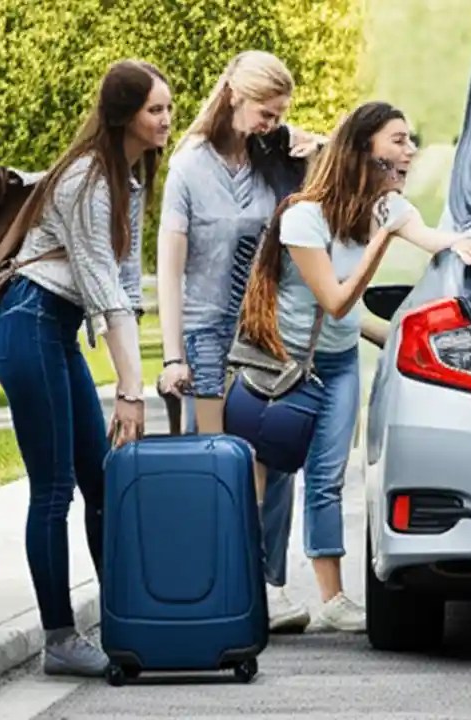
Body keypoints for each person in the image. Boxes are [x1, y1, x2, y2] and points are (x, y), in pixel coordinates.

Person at [237, 101, 471, 632]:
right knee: (266, 477)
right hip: (285, 370)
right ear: (363, 148)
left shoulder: (384, 207)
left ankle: (331, 600)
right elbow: (335, 301)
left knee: (328, 478)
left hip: (337, 365)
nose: (410, 151)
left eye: (410, 140)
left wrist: (461, 244)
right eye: (397, 140)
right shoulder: (303, 217)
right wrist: (381, 238)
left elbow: (427, 238)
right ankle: (256, 588)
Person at [0, 59, 171, 676]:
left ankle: (125, 616)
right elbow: (101, 289)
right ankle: (60, 638)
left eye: (168, 108)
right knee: (55, 489)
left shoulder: (131, 178)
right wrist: (131, 391)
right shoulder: (87, 181)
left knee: (102, 482)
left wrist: (131, 375)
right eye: (155, 110)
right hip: (29, 323)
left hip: (54, 330)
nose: (166, 119)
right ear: (125, 116)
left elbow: (124, 285)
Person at [155, 49, 325, 634]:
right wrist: (172, 352)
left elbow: (335, 207)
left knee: (275, 457)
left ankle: (267, 586)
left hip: (261, 334)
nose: (272, 124)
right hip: (205, 335)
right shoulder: (188, 168)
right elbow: (169, 268)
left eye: (280, 115)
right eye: (265, 113)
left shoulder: (274, 160)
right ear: (233, 95)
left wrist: (318, 152)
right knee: (222, 465)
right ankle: (226, 585)